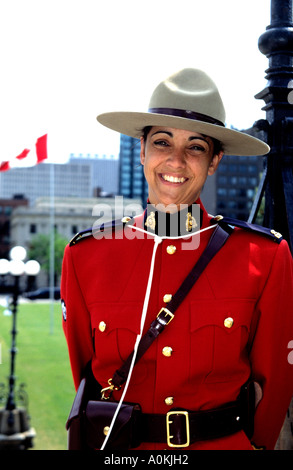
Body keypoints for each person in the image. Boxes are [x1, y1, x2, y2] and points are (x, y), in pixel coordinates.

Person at [61, 68, 293, 450]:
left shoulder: (263, 257)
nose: (176, 160)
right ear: (142, 151)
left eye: (196, 147)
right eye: (163, 143)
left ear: (214, 161)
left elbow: (276, 381)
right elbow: (86, 374)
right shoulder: (86, 255)